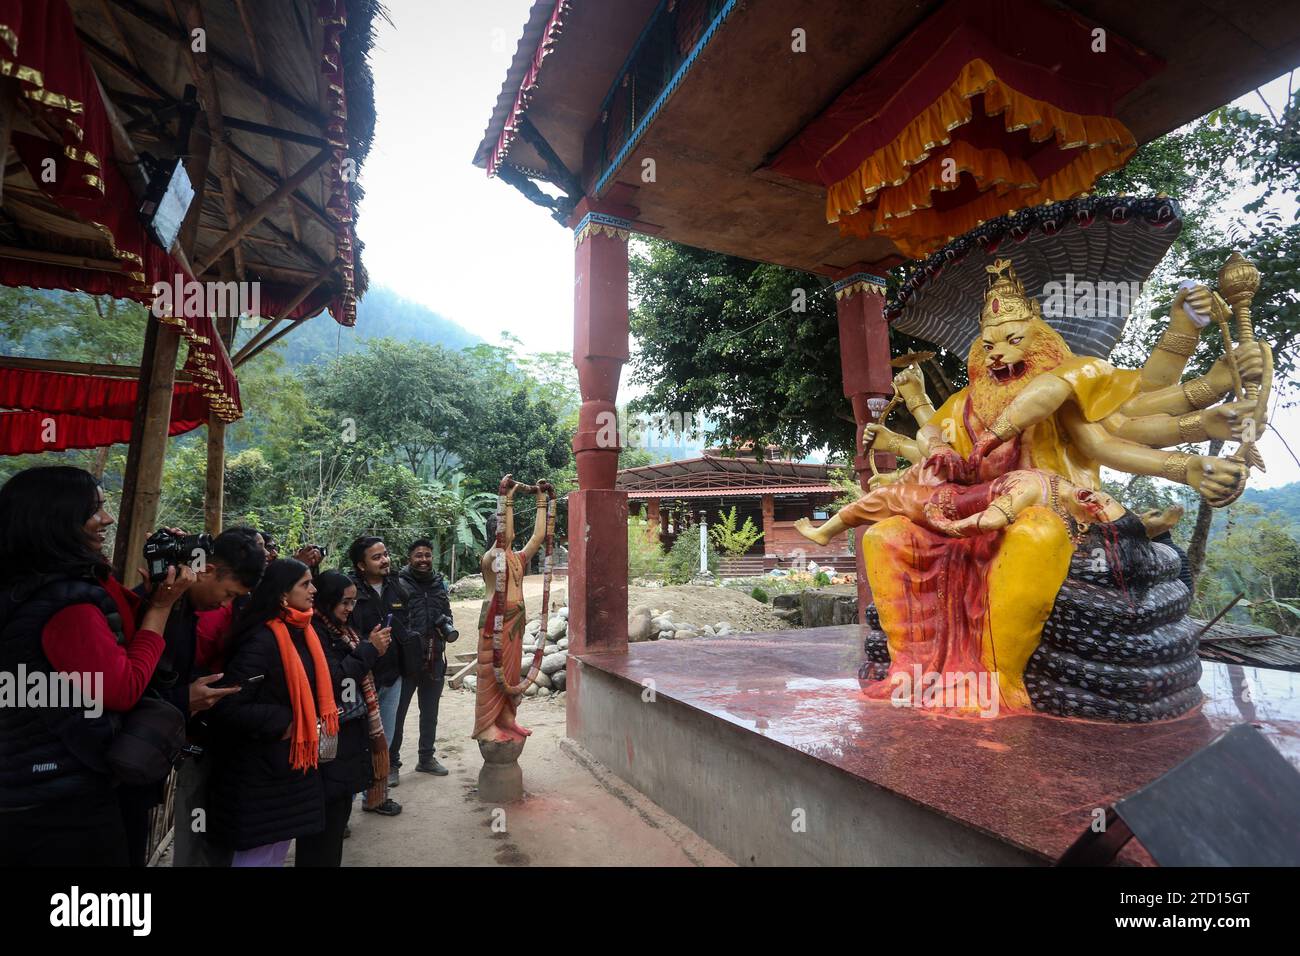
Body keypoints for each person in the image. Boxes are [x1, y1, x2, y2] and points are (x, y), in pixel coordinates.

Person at [0, 466, 193, 866]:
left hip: (29, 785)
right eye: (95, 510)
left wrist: (159, 591)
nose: (107, 519)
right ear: (56, 522)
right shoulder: (66, 605)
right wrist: (159, 608)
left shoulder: (27, 585)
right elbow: (122, 688)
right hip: (58, 802)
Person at [119, 526, 265, 867]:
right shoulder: (154, 607)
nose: (224, 604)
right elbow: (128, 689)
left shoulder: (184, 611)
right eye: (228, 594)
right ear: (209, 570)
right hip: (125, 761)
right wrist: (185, 699)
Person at [204, 559, 333, 867]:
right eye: (305, 584)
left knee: (275, 848)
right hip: (262, 770)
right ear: (282, 595)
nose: (314, 590)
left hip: (290, 765)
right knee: (257, 855)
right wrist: (289, 721)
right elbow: (229, 705)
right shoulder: (261, 641)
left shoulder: (304, 630)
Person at [296, 571, 395, 865]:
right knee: (322, 828)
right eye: (344, 602)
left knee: (335, 823)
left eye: (353, 602)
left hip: (347, 742)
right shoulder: (313, 632)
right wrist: (369, 650)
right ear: (327, 600)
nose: (350, 609)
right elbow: (334, 679)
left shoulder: (343, 629)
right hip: (329, 743)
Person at [346, 536, 415, 796]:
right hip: (358, 680)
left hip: (391, 677)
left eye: (385, 554)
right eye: (376, 557)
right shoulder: (349, 591)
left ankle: (375, 796)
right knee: (354, 743)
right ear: (361, 565)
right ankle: (342, 811)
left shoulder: (398, 586)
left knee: (382, 740)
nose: (385, 560)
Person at [395, 539, 454, 777]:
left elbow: (447, 613)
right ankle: (391, 764)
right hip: (405, 661)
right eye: (419, 555)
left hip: (434, 657)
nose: (423, 560)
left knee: (430, 712)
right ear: (410, 558)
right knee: (397, 714)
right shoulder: (398, 584)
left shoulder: (439, 584)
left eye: (428, 555)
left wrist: (447, 626)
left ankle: (426, 758)